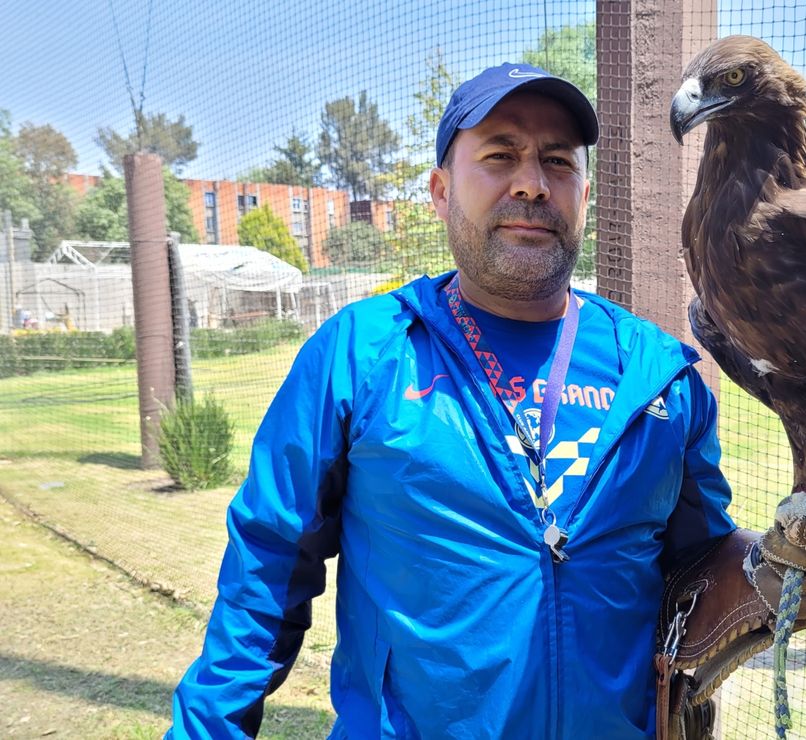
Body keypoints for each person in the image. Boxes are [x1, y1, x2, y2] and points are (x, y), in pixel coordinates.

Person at [168, 63, 739, 738]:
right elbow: (266, 563)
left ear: (585, 194)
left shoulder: (659, 377)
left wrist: (779, 564)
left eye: (558, 161)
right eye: (500, 156)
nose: (532, 183)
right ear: (440, 192)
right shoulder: (362, 356)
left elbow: (701, 562)